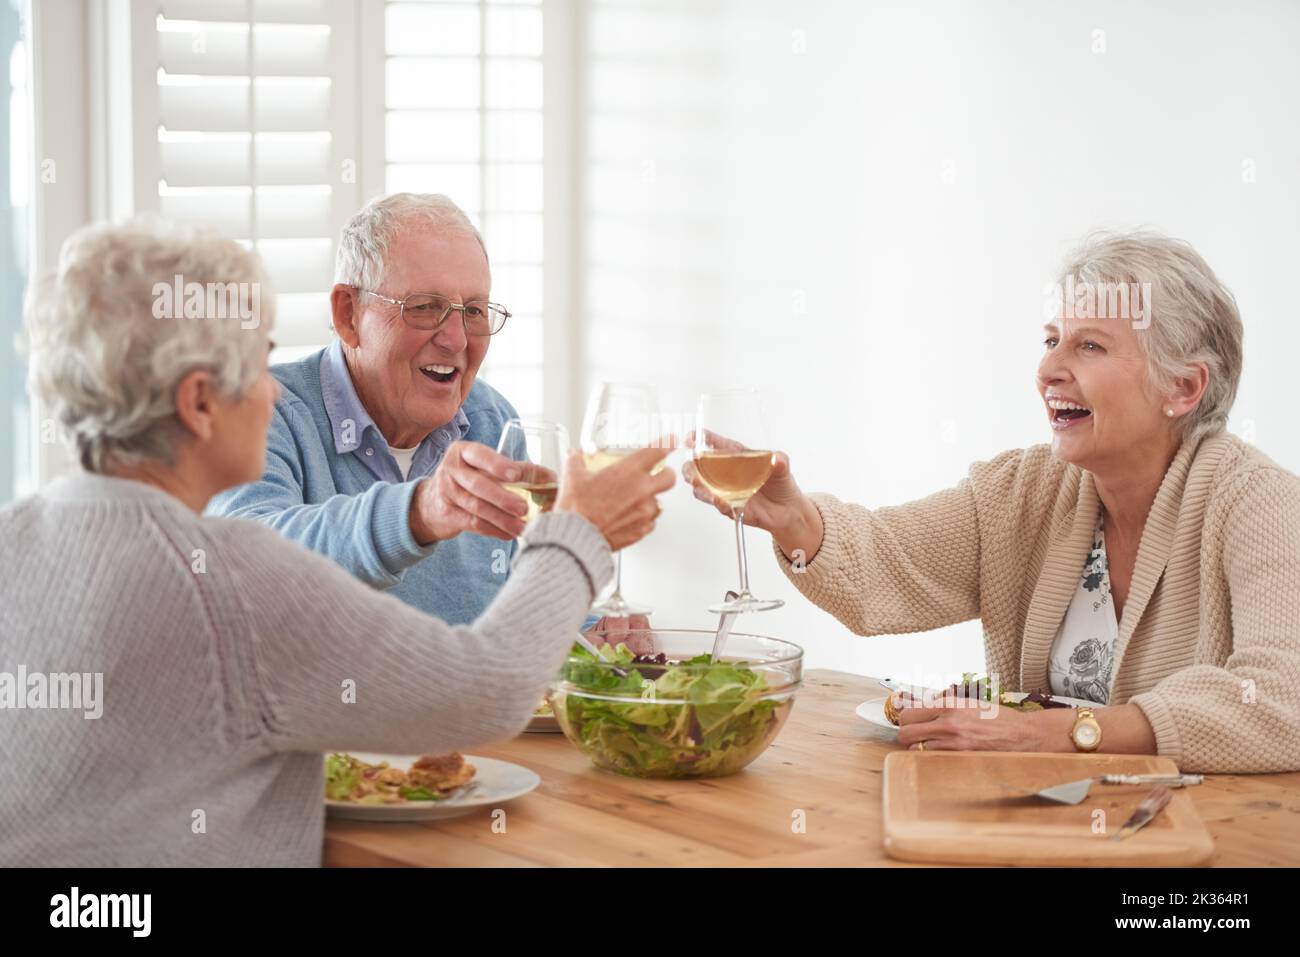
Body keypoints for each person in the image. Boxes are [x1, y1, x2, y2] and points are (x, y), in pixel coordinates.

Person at [2, 217, 674, 865]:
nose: (273, 390)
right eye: (259, 362)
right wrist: (579, 534)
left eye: (474, 310)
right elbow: (488, 688)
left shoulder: (15, 537)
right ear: (200, 403)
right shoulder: (234, 578)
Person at [686, 229, 1300, 773]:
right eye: (1052, 339)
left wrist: (1056, 735)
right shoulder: (1023, 492)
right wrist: (795, 519)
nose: (1048, 368)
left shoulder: (1258, 504)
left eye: (1090, 347)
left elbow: (1282, 700)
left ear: (1184, 386)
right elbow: (888, 560)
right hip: (1036, 821)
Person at [208, 192, 546, 625]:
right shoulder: (261, 412)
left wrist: (599, 635)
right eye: (425, 307)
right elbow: (246, 565)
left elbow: (529, 603)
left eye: (475, 311)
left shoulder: (492, 420)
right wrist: (418, 512)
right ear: (349, 315)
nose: (457, 340)